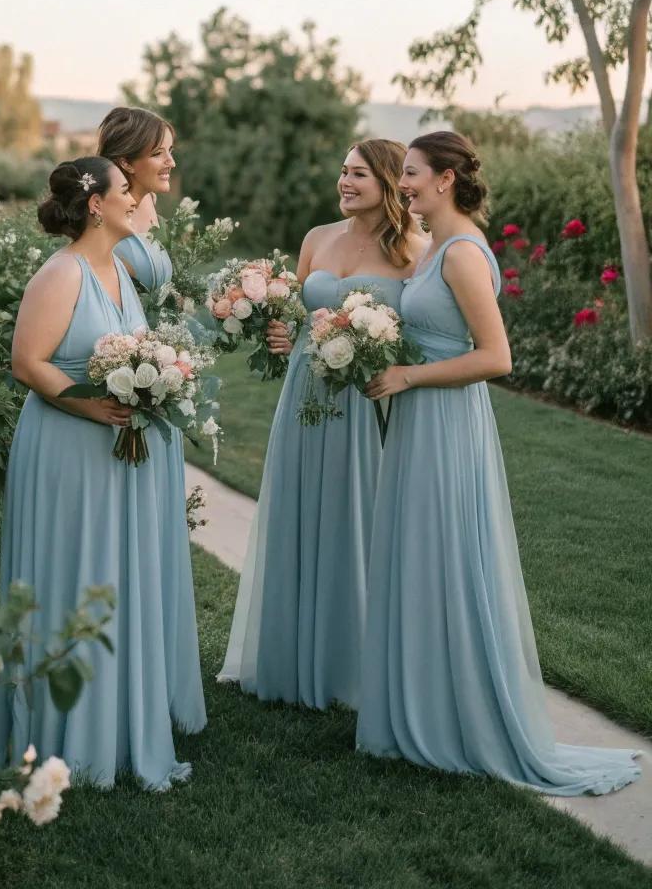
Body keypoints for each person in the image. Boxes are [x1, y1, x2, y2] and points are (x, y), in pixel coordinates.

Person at [357, 131, 641, 795]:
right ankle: (419, 710)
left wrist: (407, 376)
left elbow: (497, 358)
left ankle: (462, 719)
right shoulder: (430, 249)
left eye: (413, 174)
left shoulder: (460, 253)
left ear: (446, 179)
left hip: (445, 421)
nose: (403, 184)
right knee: (417, 557)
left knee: (448, 557)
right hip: (419, 418)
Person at [0, 156, 205, 790]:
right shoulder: (61, 273)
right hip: (66, 449)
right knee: (71, 572)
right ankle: (61, 736)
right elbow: (27, 363)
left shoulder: (120, 273)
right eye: (125, 191)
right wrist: (94, 407)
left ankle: (112, 728)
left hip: (115, 449)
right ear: (96, 205)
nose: (136, 198)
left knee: (111, 577)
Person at [220, 140, 426, 710]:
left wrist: (386, 358)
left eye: (358, 173)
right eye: (342, 171)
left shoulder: (416, 249)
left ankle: (351, 667)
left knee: (353, 516)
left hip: (364, 400)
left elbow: (422, 332)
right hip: (305, 390)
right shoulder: (317, 238)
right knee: (297, 509)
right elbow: (293, 319)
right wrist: (280, 335)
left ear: (387, 182)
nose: (345, 181)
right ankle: (288, 657)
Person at [98, 105, 177, 296]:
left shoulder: (150, 198)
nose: (172, 162)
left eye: (170, 151)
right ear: (126, 162)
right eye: (158, 153)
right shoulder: (101, 219)